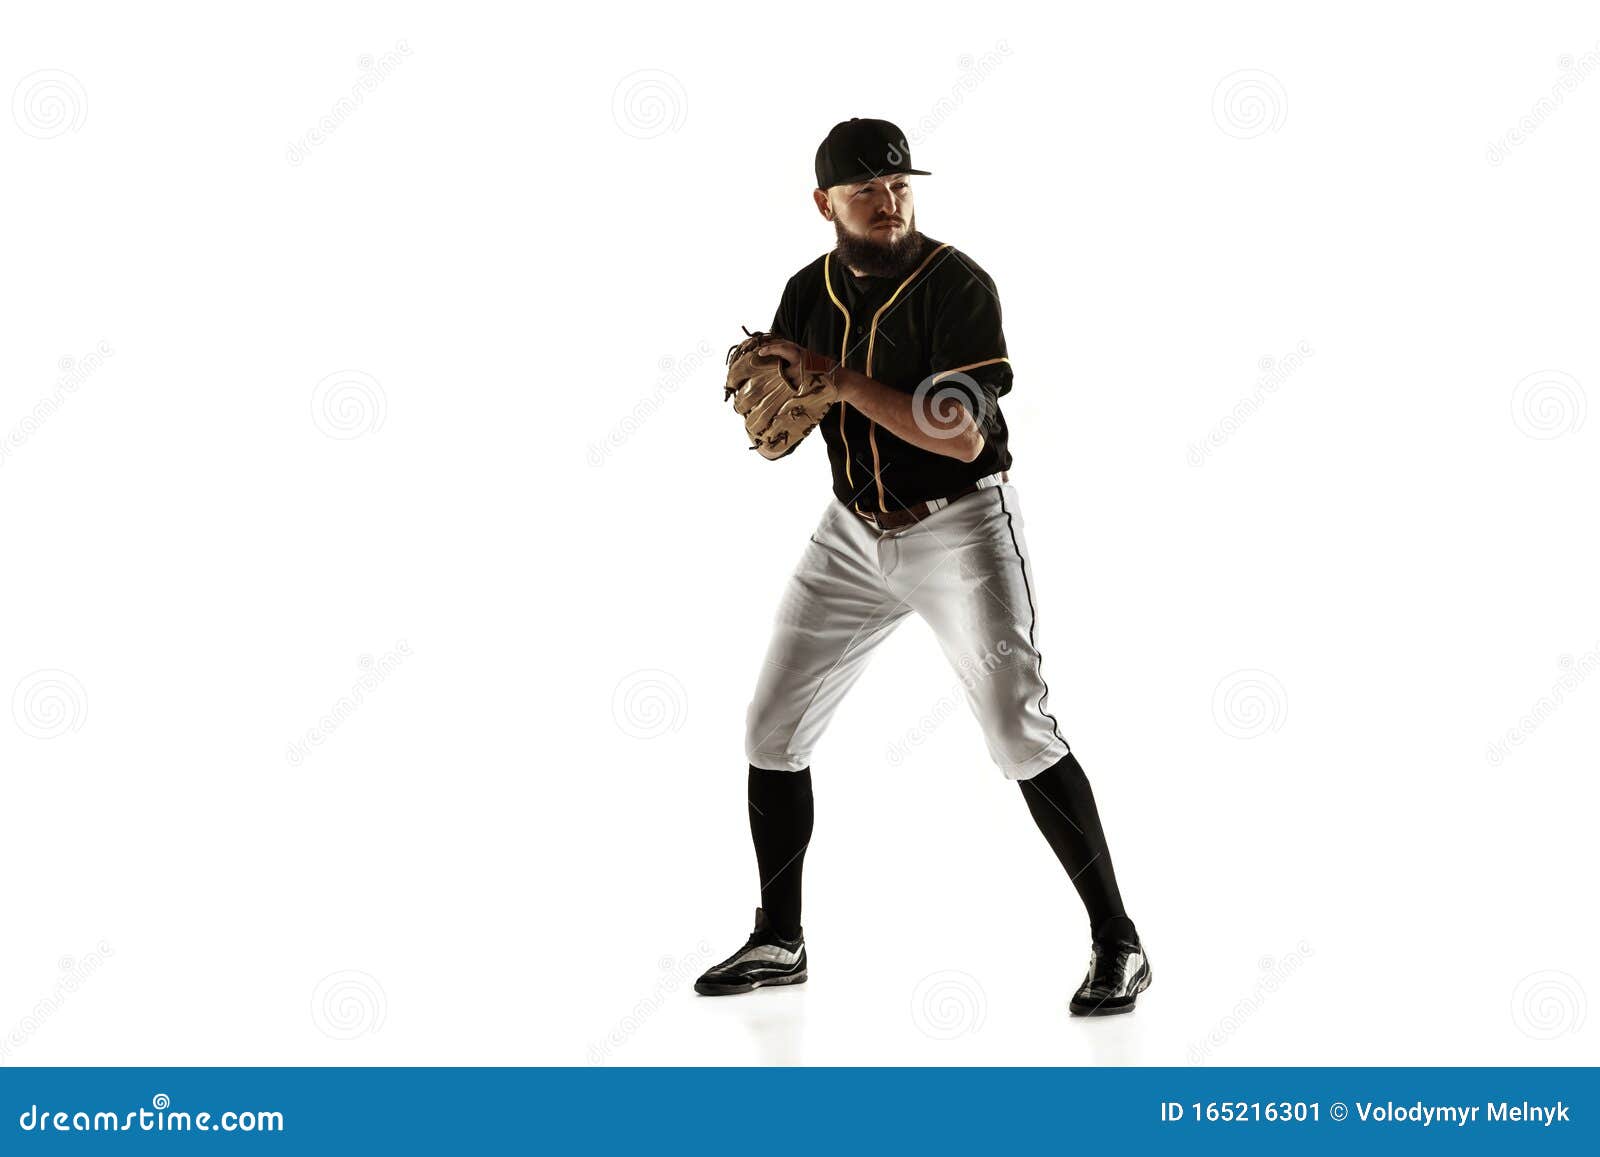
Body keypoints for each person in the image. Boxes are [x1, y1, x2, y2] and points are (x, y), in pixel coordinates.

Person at [696, 118, 1151, 1016]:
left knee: (1018, 730)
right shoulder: (807, 290)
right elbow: (789, 408)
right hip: (851, 533)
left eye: (900, 184)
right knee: (770, 729)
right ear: (825, 203)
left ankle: (1119, 941)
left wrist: (837, 379)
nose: (889, 200)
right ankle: (780, 938)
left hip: (961, 527)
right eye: (865, 189)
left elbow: (960, 435)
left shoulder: (957, 285)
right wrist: (789, 396)